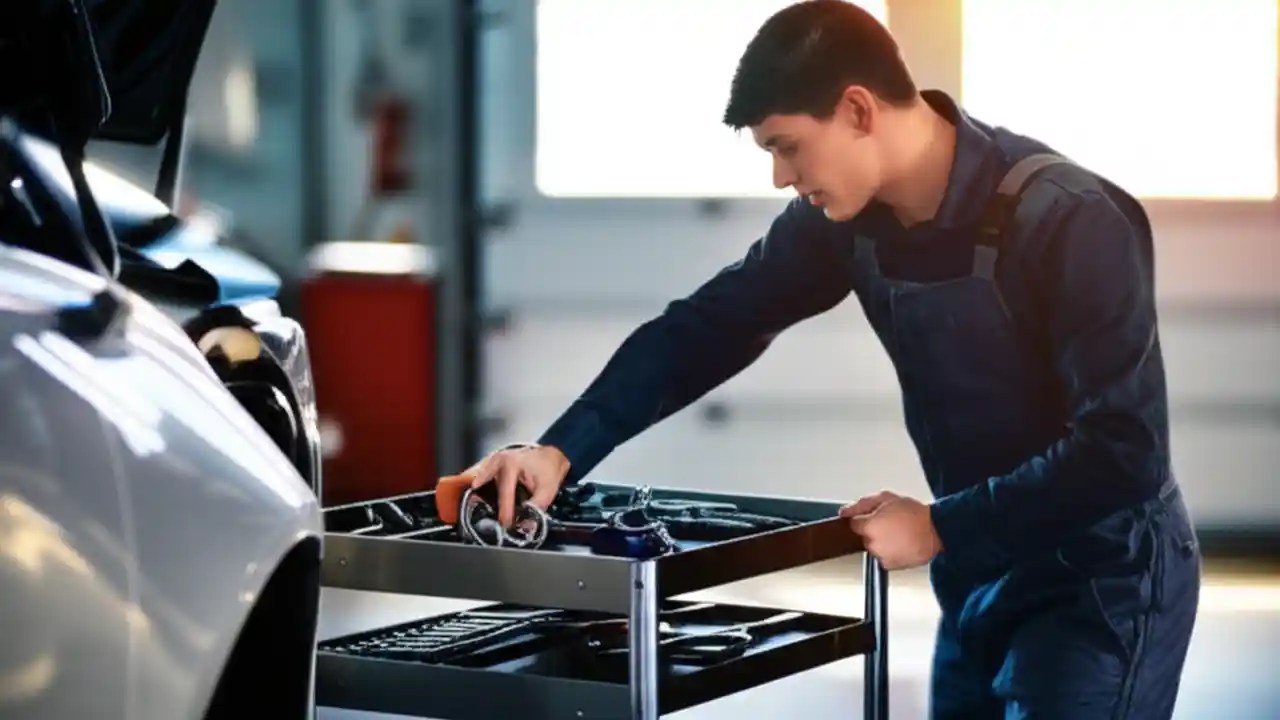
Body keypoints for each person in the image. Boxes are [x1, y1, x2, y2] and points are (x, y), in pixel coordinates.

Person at [460, 1, 1201, 717]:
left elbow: (1123, 450)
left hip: (1104, 580)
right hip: (979, 573)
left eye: (786, 146)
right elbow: (707, 328)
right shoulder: (845, 225)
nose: (781, 178)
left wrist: (945, 527)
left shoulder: (1071, 218)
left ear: (856, 110)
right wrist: (559, 450)